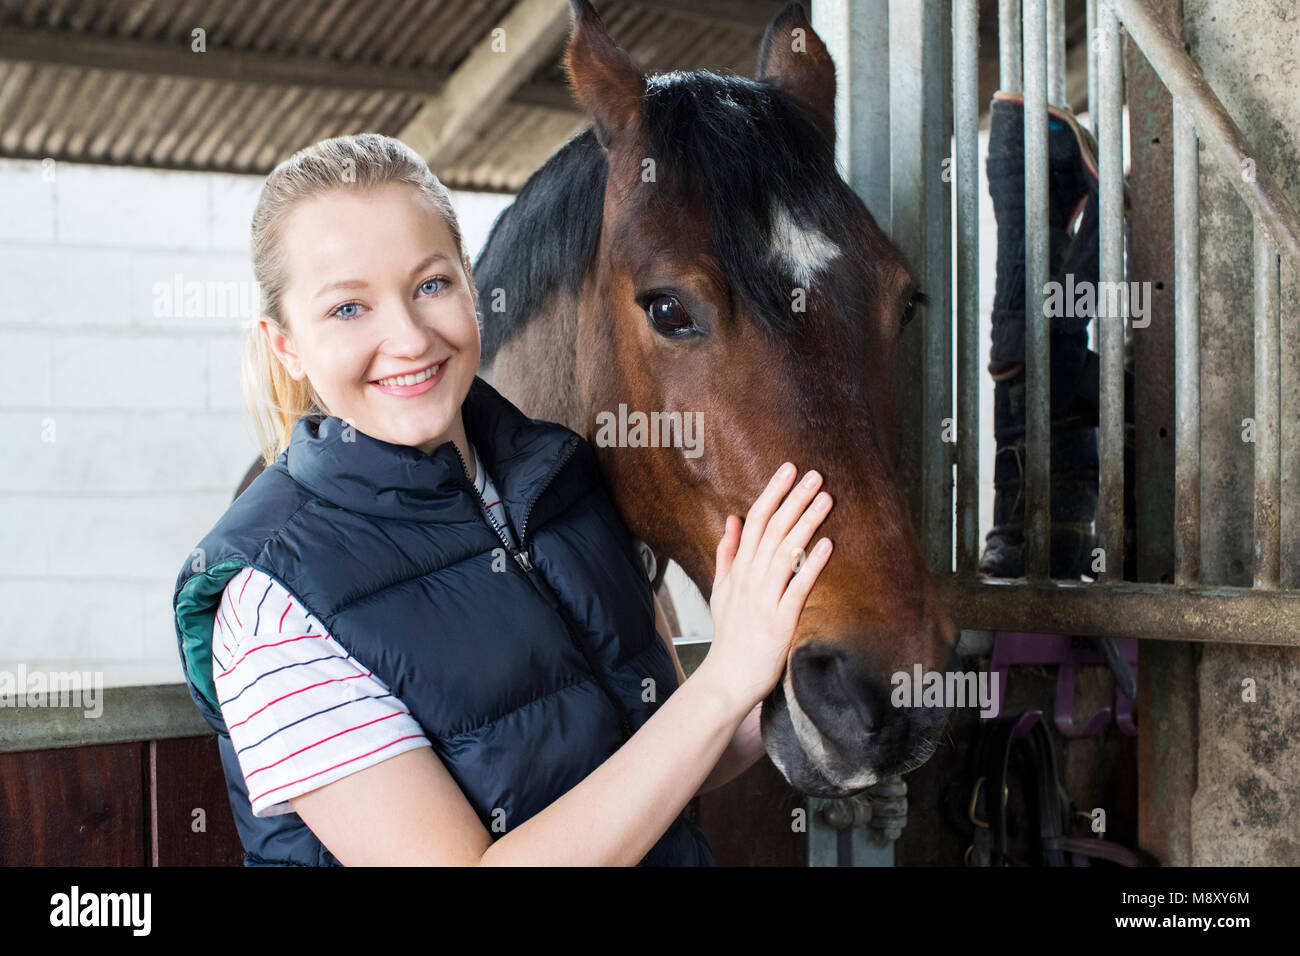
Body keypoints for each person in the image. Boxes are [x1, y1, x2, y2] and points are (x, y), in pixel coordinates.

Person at [172, 133, 837, 866]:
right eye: (348, 310)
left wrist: (781, 670)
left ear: (470, 282)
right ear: (286, 344)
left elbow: (666, 759)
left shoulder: (565, 482)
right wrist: (724, 682)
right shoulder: (268, 600)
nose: (409, 338)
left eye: (431, 285)